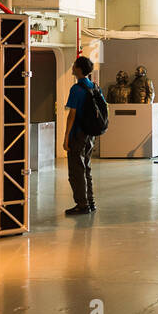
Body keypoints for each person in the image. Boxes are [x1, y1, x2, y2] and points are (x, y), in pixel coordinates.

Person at [62, 55, 98, 216]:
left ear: (78, 69)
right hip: (90, 134)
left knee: (76, 171)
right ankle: (90, 202)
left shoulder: (76, 89)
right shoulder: (94, 87)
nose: (72, 66)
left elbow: (72, 115)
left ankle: (81, 204)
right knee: (86, 168)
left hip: (78, 134)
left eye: (74, 64)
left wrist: (66, 137)